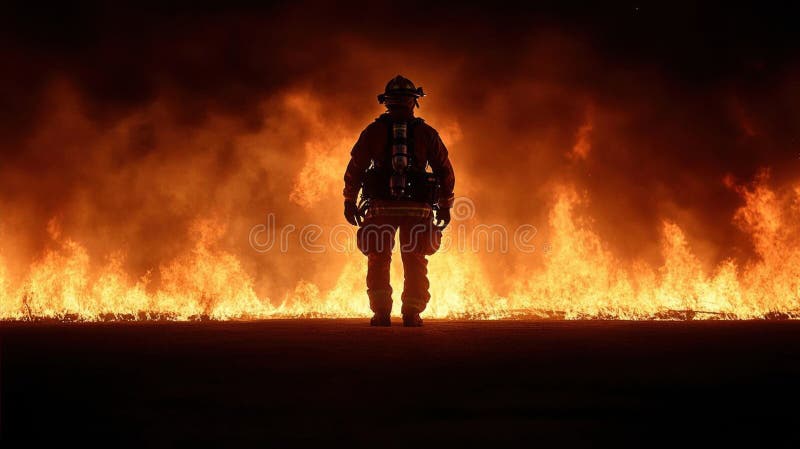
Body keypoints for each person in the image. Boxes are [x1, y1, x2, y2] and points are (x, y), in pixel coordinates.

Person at [343, 75, 455, 327]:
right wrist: (446, 205)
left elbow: (356, 167)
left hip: (380, 208)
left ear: (387, 103)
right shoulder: (427, 133)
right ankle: (412, 313)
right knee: (415, 259)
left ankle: (381, 312)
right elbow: (444, 171)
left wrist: (349, 200)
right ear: (414, 102)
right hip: (417, 209)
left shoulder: (373, 132)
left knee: (378, 257)